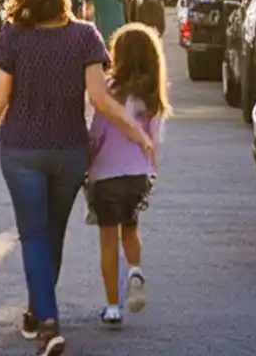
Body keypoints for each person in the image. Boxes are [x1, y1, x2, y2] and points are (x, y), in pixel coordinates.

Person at [0, 0, 155, 356]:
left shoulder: (13, 36)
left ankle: (48, 323)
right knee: (51, 234)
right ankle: (39, 312)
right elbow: (101, 99)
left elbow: (0, 99)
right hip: (69, 150)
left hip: (21, 150)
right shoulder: (85, 36)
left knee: (34, 236)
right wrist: (136, 133)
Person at [86, 24, 168, 328]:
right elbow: (154, 139)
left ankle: (112, 306)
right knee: (130, 229)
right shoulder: (152, 98)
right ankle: (135, 269)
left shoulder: (110, 92)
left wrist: (86, 161)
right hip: (138, 176)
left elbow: (97, 134)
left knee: (108, 240)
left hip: (107, 175)